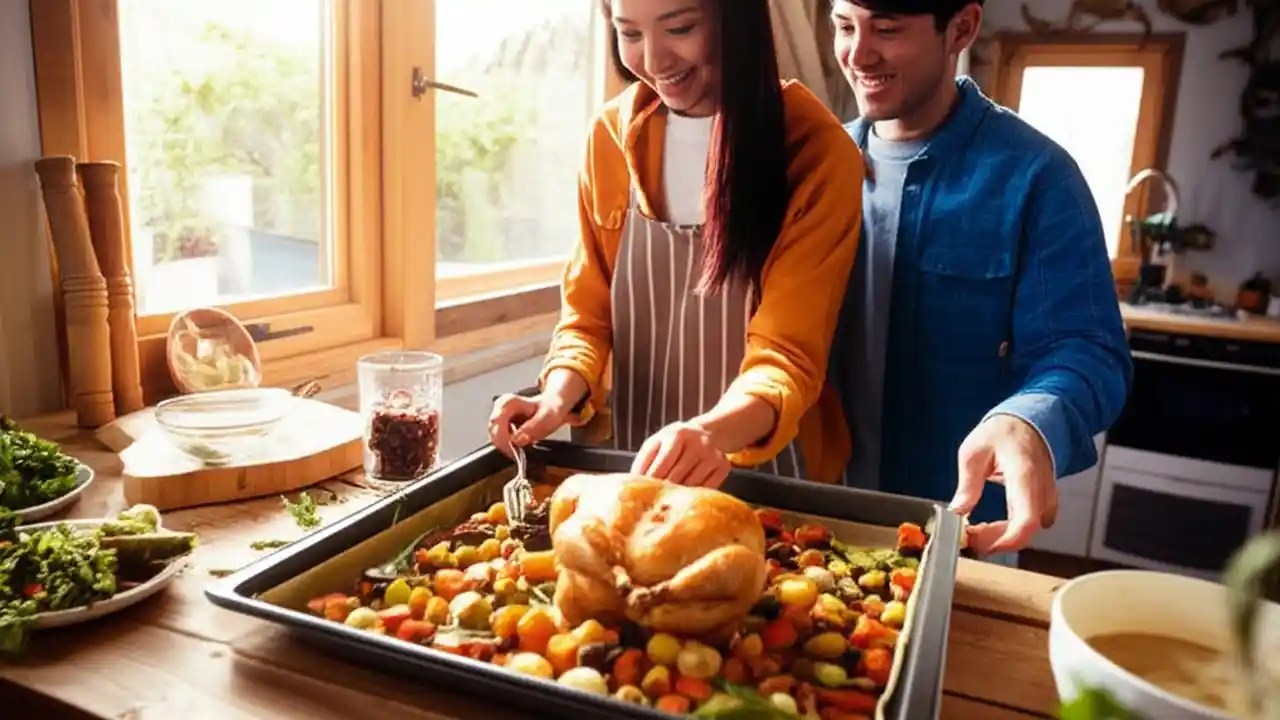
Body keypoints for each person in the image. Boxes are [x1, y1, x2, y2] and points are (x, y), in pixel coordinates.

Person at [488, 0, 863, 489]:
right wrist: (554, 398)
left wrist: (709, 433)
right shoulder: (611, 137)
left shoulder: (815, 151)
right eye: (630, 34)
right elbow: (588, 316)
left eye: (680, 28)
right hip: (632, 466)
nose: (654, 61)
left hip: (766, 472)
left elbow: (786, 356)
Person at [827, 0, 1133, 560]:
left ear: (961, 28)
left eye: (888, 30)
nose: (858, 54)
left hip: (957, 534)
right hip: (813, 512)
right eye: (844, 27)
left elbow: (1085, 350)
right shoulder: (814, 165)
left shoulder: (1038, 177)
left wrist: (1030, 420)